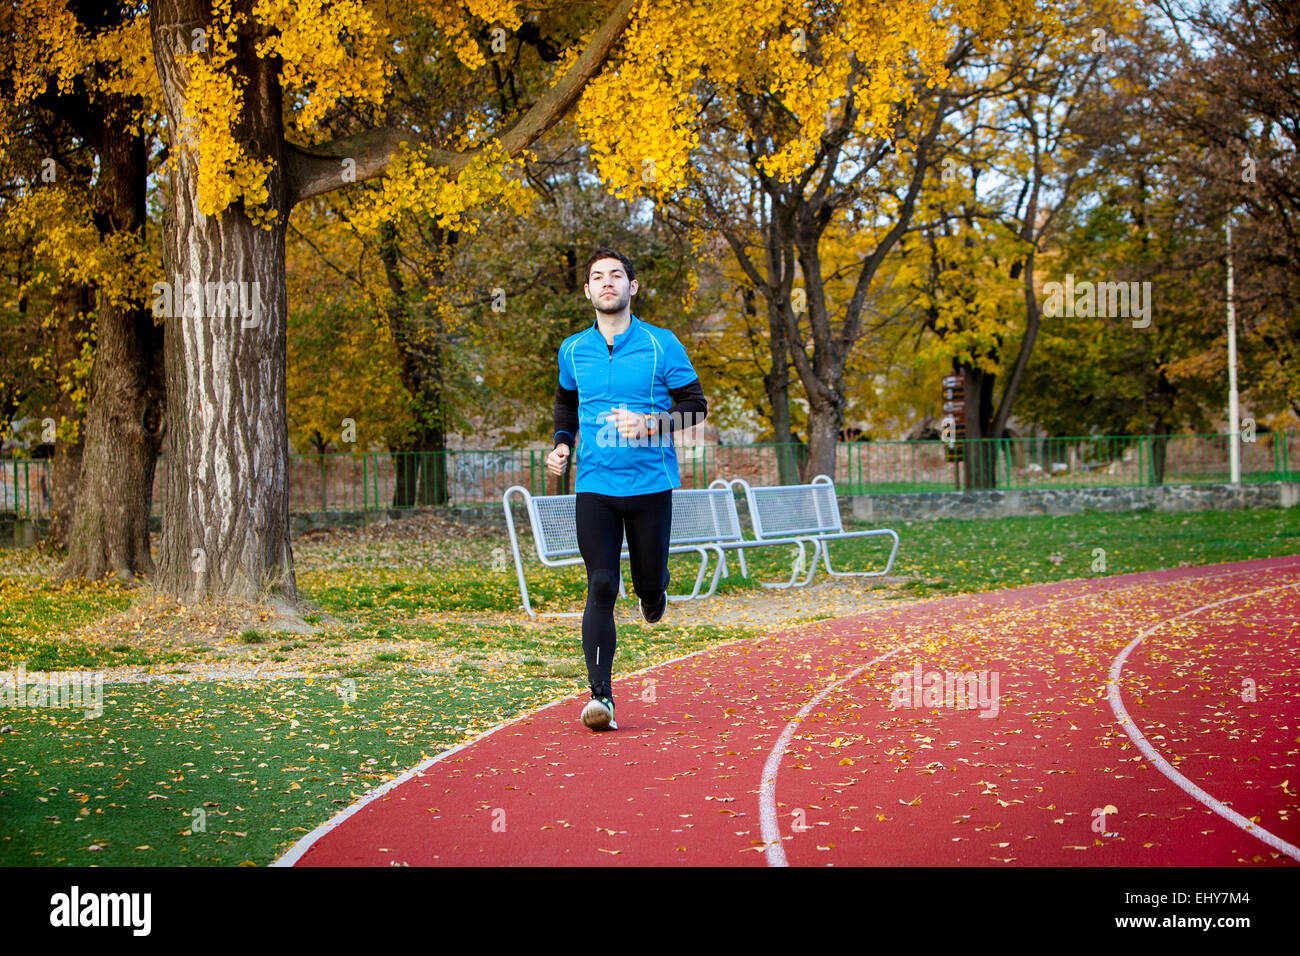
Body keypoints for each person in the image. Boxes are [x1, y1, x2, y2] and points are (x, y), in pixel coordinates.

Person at [545, 247, 708, 731]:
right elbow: (565, 403)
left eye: (616, 275)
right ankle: (602, 698)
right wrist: (561, 445)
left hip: (651, 485)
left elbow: (696, 406)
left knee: (648, 584)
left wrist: (652, 423)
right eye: (598, 277)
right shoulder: (573, 349)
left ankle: (654, 595)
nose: (607, 282)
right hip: (595, 484)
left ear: (632, 287)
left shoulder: (662, 344)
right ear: (589, 291)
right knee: (600, 583)